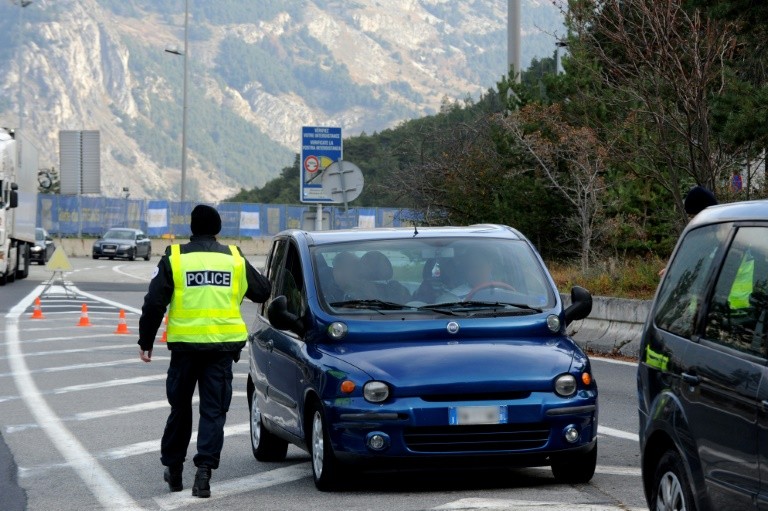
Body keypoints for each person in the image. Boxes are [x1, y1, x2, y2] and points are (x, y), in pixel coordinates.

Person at [137, 204, 270, 498]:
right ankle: (204, 474)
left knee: (180, 408)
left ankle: (173, 469)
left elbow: (154, 302)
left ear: (192, 229)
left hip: (184, 347)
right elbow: (262, 291)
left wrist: (145, 340)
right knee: (213, 411)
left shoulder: (175, 257)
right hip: (221, 349)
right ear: (218, 229)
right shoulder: (234, 258)